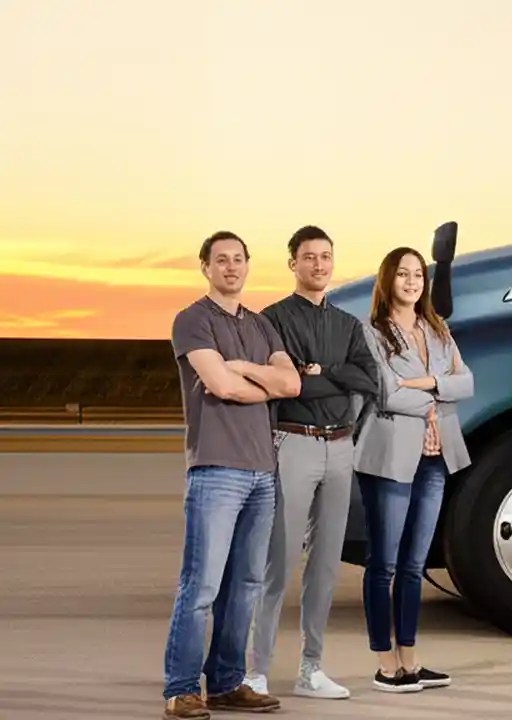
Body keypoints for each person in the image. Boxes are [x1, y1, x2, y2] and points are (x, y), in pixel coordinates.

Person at [162, 231, 301, 720]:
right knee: (200, 587)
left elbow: (293, 381)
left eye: (238, 259)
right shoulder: (192, 320)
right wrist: (258, 380)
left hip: (263, 471)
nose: (231, 267)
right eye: (220, 260)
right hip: (216, 470)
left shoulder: (262, 326)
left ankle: (225, 683)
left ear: (248, 265)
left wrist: (242, 369)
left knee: (244, 585)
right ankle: (181, 690)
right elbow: (220, 385)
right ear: (205, 267)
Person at [246, 225, 379, 700]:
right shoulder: (271, 321)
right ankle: (255, 671)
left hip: (339, 449)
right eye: (309, 257)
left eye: (325, 257)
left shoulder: (348, 324)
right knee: (276, 562)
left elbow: (369, 380)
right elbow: (285, 387)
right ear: (292, 264)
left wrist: (322, 375)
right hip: (293, 445)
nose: (319, 265)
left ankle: (311, 669)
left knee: (325, 565)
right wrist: (320, 382)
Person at [353, 246, 474, 693]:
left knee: (413, 565)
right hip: (388, 459)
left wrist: (424, 383)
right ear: (388, 281)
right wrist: (440, 393)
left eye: (418, 274)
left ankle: (410, 659)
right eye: (402, 274)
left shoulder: (438, 330)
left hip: (434, 459)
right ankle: (385, 662)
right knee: (382, 563)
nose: (411, 281)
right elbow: (385, 394)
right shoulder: (372, 333)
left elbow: (468, 382)